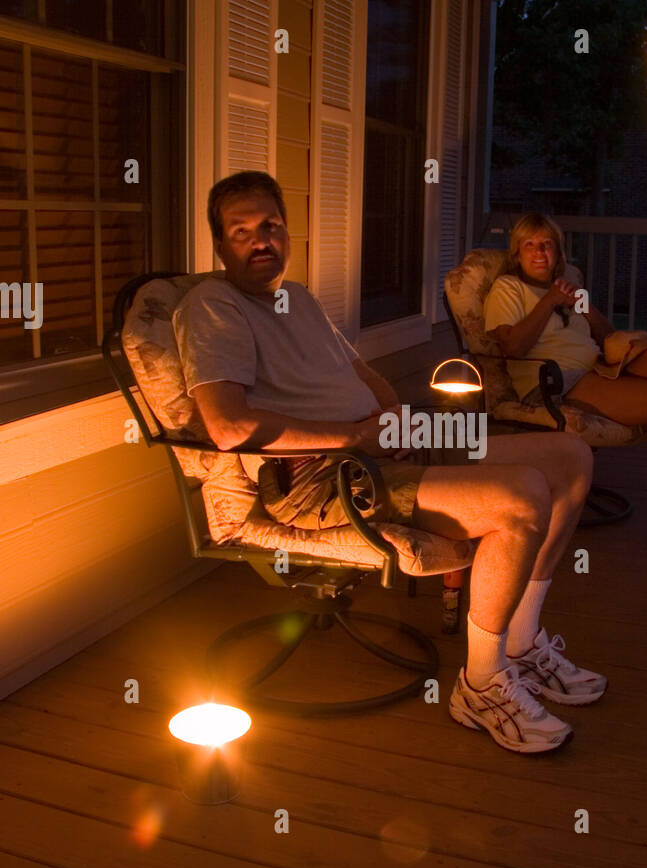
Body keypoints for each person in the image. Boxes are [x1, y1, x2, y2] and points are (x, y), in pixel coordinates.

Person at [172, 171, 607, 754]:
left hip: (381, 441)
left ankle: (522, 643)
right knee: (523, 496)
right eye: (241, 231)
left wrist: (397, 421)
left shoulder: (294, 298)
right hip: (323, 474)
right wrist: (356, 436)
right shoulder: (213, 307)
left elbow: (361, 372)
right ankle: (481, 684)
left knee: (570, 455)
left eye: (271, 226)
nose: (260, 241)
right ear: (220, 245)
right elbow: (229, 426)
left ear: (286, 231)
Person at [484, 212, 647, 560]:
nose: (539, 252)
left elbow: (606, 336)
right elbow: (512, 348)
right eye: (530, 245)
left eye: (547, 245)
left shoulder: (565, 285)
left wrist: (584, 306)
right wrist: (549, 303)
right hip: (556, 381)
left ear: (558, 252)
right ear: (517, 253)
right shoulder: (508, 288)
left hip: (600, 367)